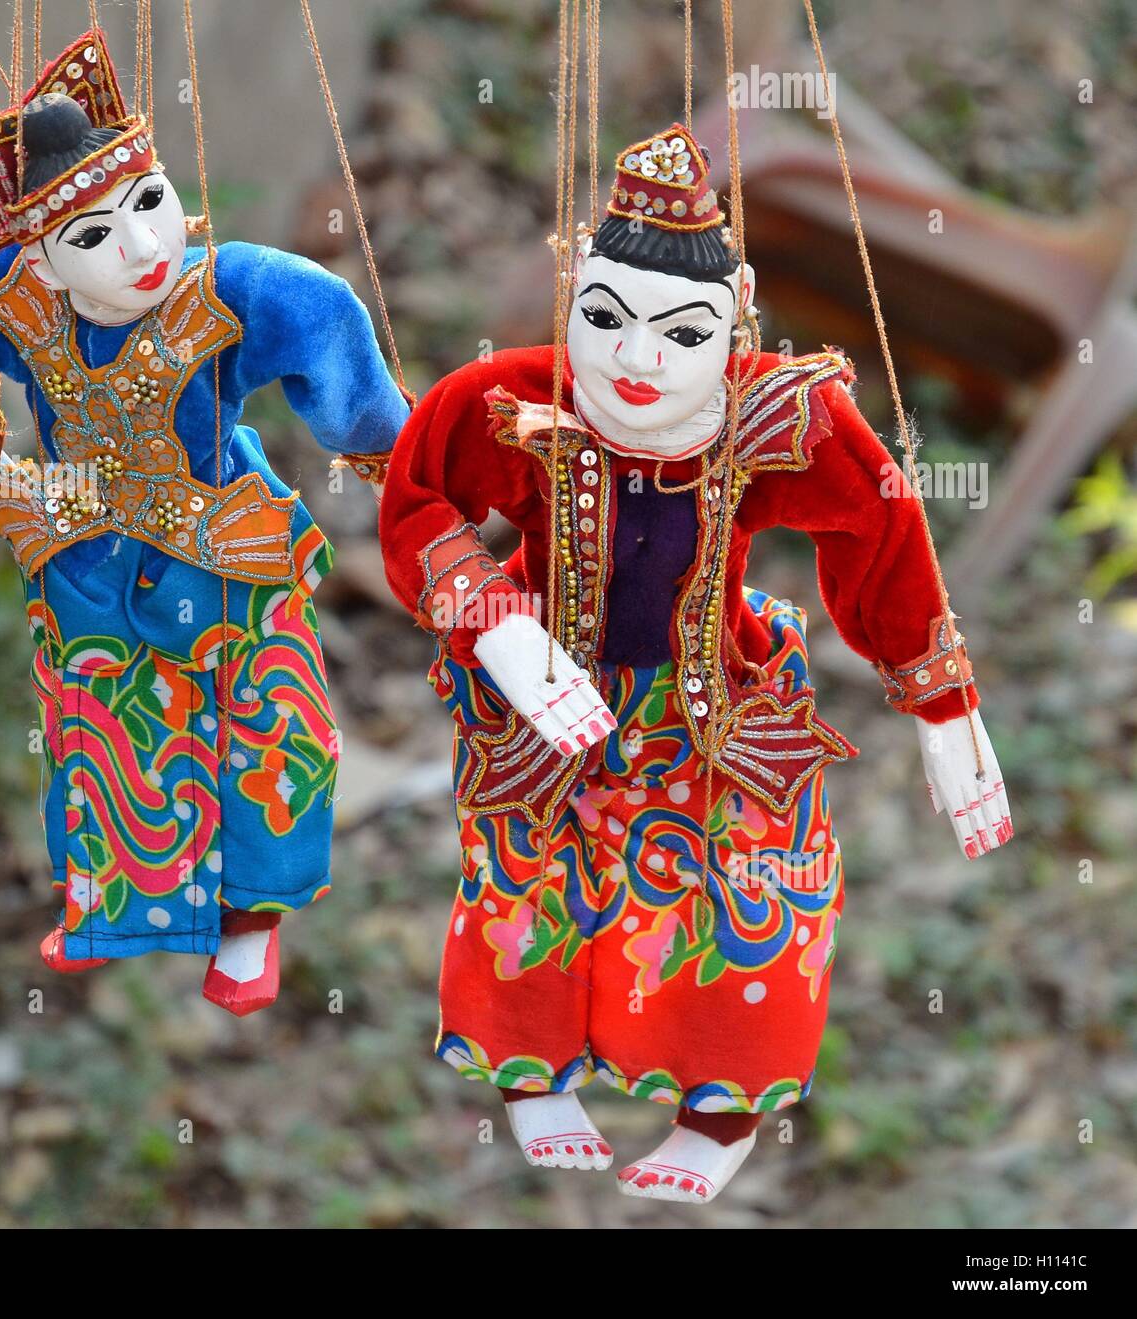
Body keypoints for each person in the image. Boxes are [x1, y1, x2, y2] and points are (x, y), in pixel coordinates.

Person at [378, 124, 1012, 1202]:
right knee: (527, 883)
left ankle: (720, 1109)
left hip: (713, 705)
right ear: (570, 294)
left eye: (682, 332)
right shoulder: (517, 400)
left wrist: (941, 706)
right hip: (548, 697)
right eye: (606, 319)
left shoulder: (778, 415)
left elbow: (882, 527)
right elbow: (414, 497)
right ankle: (534, 1077)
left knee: (753, 895)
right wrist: (492, 619)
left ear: (739, 318)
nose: (636, 361)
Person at [0, 30, 407, 1015]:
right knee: (109, 737)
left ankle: (251, 919)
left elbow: (325, 318)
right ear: (46, 268)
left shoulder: (229, 288)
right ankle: (116, 909)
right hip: (91, 558)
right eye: (94, 236)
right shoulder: (21, 313)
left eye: (147, 206)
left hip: (224, 543)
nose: (141, 247)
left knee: (267, 725)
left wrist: (381, 444)